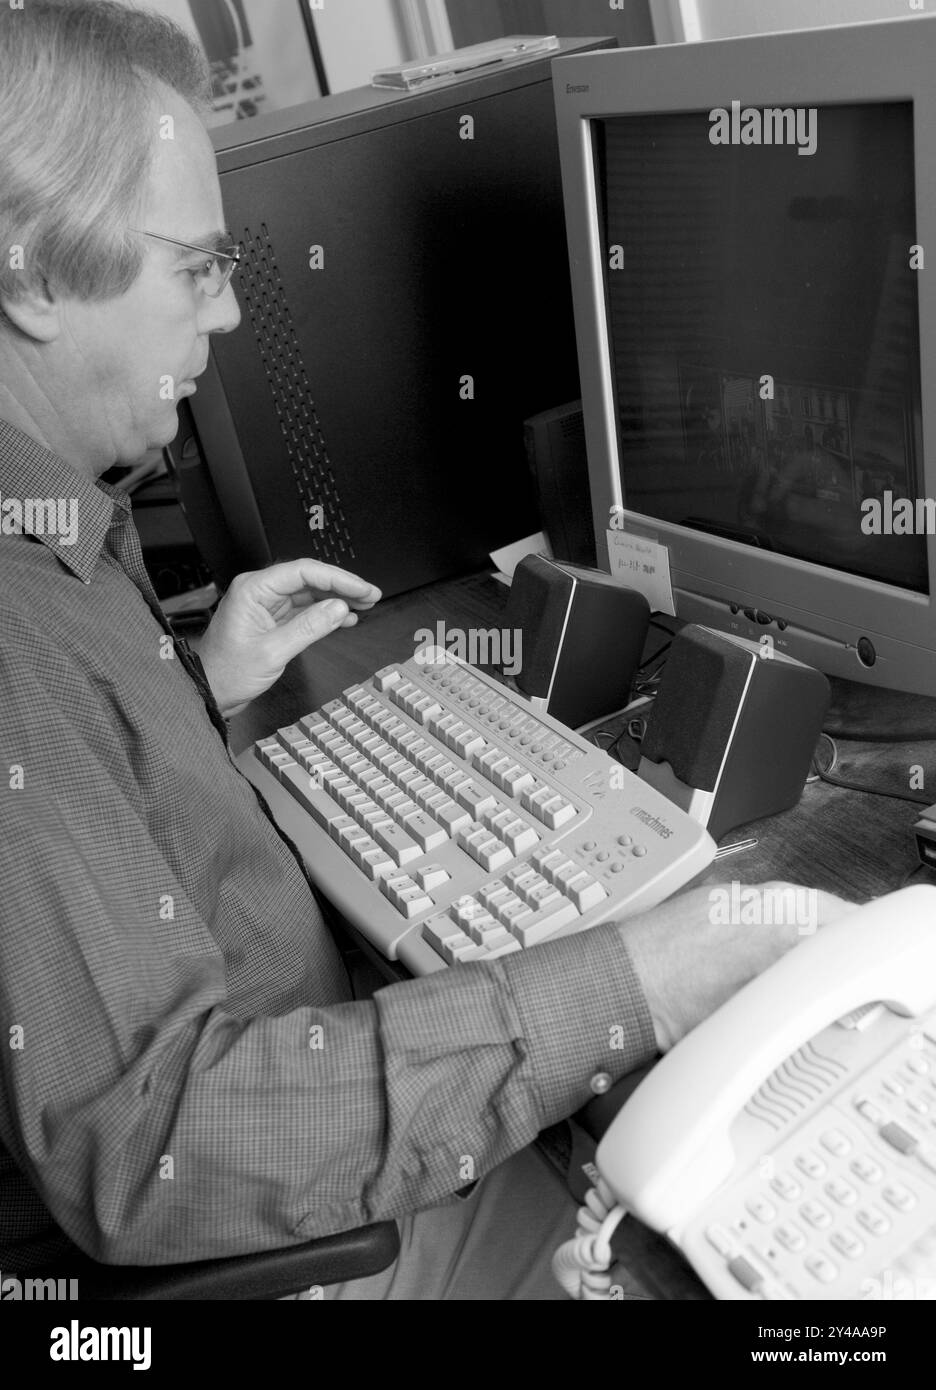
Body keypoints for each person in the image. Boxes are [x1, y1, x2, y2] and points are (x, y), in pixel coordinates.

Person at [0, 1, 850, 1300]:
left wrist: (187, 697)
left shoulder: (54, 522)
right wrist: (642, 976)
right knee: (789, 1253)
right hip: (300, 1242)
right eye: (196, 268)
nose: (228, 316)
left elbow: (81, 830)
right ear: (30, 277)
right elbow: (153, 1145)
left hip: (298, 1085)